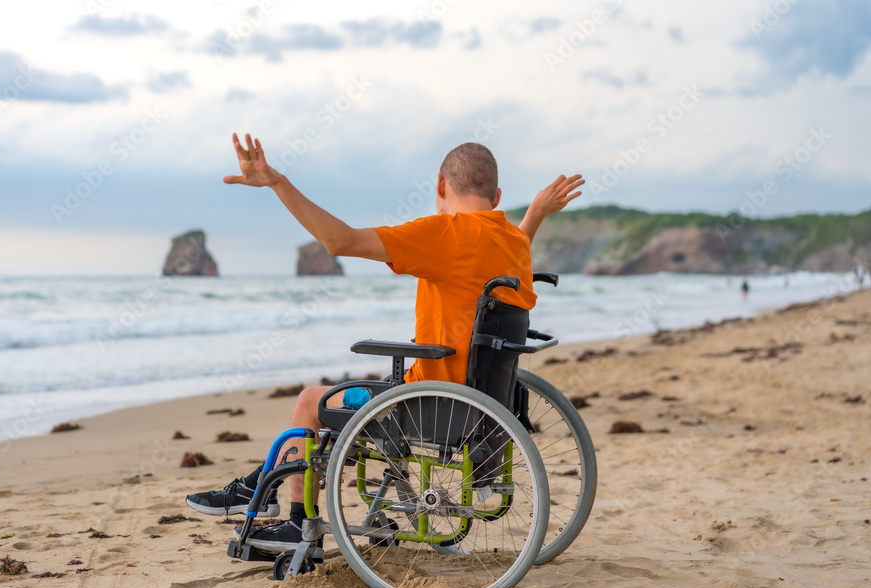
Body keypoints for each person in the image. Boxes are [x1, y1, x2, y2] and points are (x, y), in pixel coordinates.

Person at [185, 132, 584, 553]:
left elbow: (341, 241)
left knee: (309, 403)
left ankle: (296, 523)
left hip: (427, 407)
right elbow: (511, 243)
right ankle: (256, 488)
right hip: (481, 406)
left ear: (441, 186)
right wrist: (536, 212)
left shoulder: (443, 233)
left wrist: (277, 181)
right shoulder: (513, 242)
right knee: (343, 402)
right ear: (497, 195)